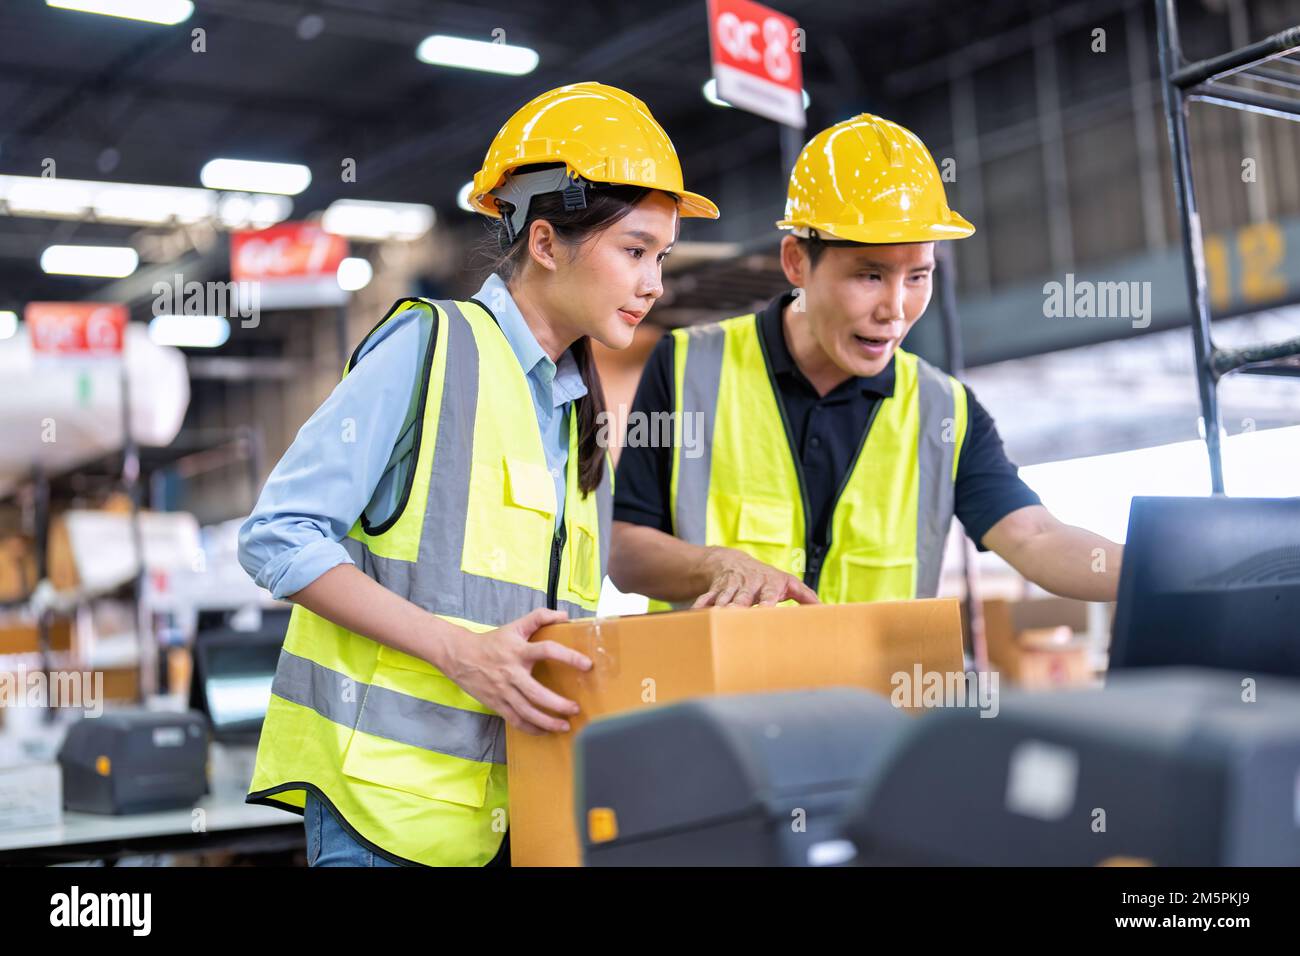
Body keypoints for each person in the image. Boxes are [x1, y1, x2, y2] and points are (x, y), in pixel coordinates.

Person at [237, 81, 718, 866]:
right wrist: (459, 651)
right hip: (383, 818)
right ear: (544, 241)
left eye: (660, 256)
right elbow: (278, 536)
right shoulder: (430, 348)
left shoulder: (570, 406)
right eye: (635, 250)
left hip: (515, 810)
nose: (654, 282)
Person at [609, 113, 1121, 611]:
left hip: (877, 698)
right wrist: (715, 565)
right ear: (796, 262)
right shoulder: (688, 367)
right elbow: (625, 550)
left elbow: (1034, 536)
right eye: (869, 275)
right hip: (719, 696)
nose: (895, 310)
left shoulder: (945, 411)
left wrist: (1161, 570)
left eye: (918, 277)